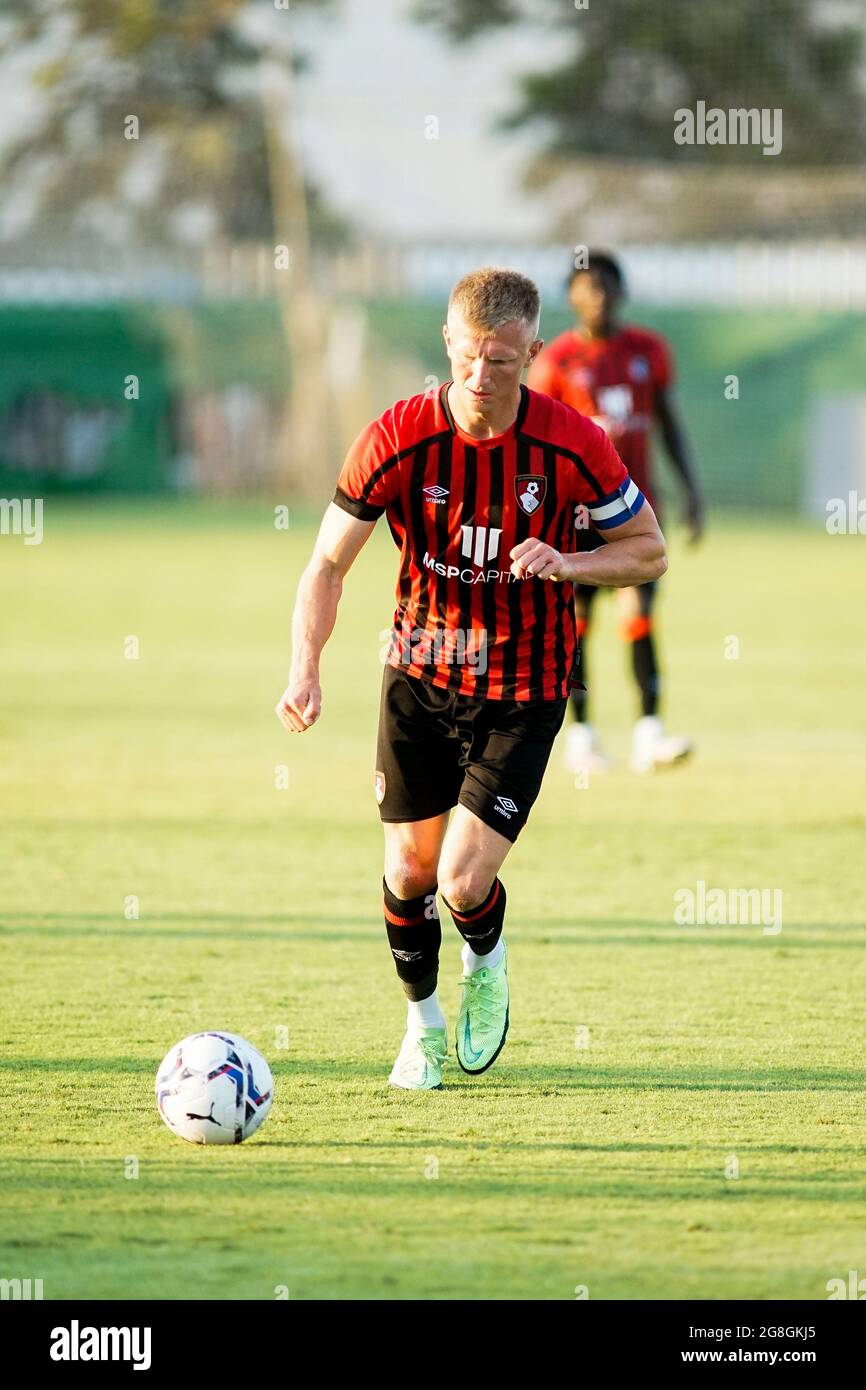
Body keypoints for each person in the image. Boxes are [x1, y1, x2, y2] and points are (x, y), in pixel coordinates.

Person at [276, 267, 667, 1090]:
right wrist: (304, 669)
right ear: (447, 343)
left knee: (460, 877)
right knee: (409, 874)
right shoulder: (397, 437)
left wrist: (570, 560)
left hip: (524, 689)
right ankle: (421, 1027)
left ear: (531, 353)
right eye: (469, 357)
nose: (481, 377)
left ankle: (485, 961)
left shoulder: (573, 443)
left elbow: (648, 549)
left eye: (502, 361)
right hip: (418, 676)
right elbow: (326, 564)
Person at [528, 251, 704, 775]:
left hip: (635, 514)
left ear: (622, 292)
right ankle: (582, 735)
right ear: (572, 298)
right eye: (587, 287)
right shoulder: (555, 363)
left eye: (606, 286)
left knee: (640, 615)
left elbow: (669, 424)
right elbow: (533, 442)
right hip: (575, 519)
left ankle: (649, 734)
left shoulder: (648, 352)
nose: (598, 296)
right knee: (576, 625)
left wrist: (692, 489)